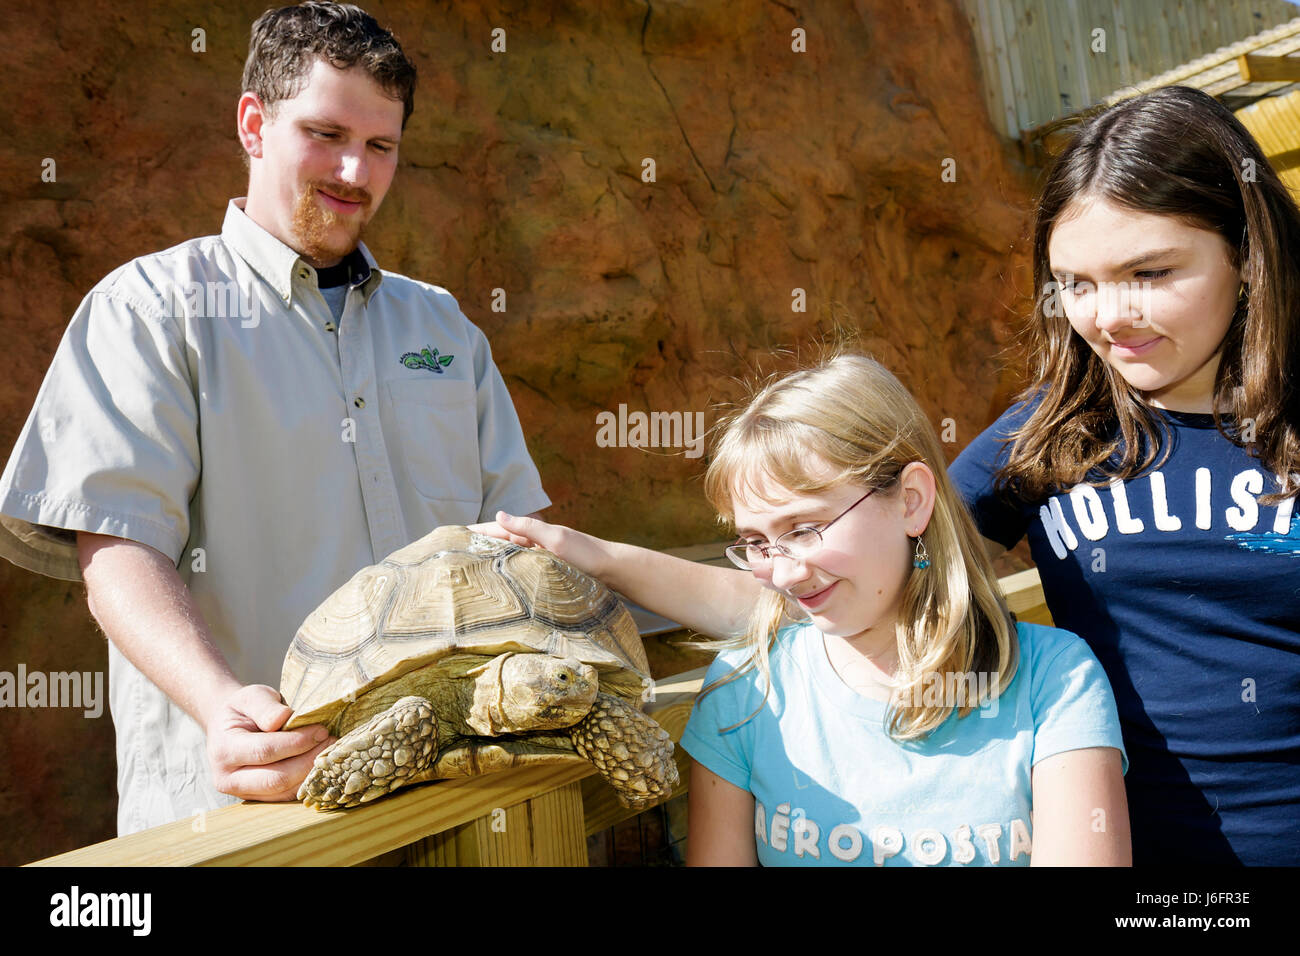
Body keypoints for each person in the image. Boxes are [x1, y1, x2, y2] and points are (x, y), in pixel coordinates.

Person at [0, 2, 550, 835]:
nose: (355, 173)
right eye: (326, 134)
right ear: (254, 123)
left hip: (452, 800)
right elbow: (117, 551)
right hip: (249, 808)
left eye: (380, 146)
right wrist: (223, 708)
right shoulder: (148, 311)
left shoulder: (444, 329)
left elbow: (516, 545)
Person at [482, 353, 1130, 865]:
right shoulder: (744, 691)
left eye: (806, 527)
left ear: (910, 501)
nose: (783, 572)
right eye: (757, 542)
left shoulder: (1054, 681)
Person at [947, 86, 1300, 865]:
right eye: (1076, 282)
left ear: (1245, 255)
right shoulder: (1050, 429)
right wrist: (612, 566)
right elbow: (849, 569)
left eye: (1149, 271)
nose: (1109, 316)